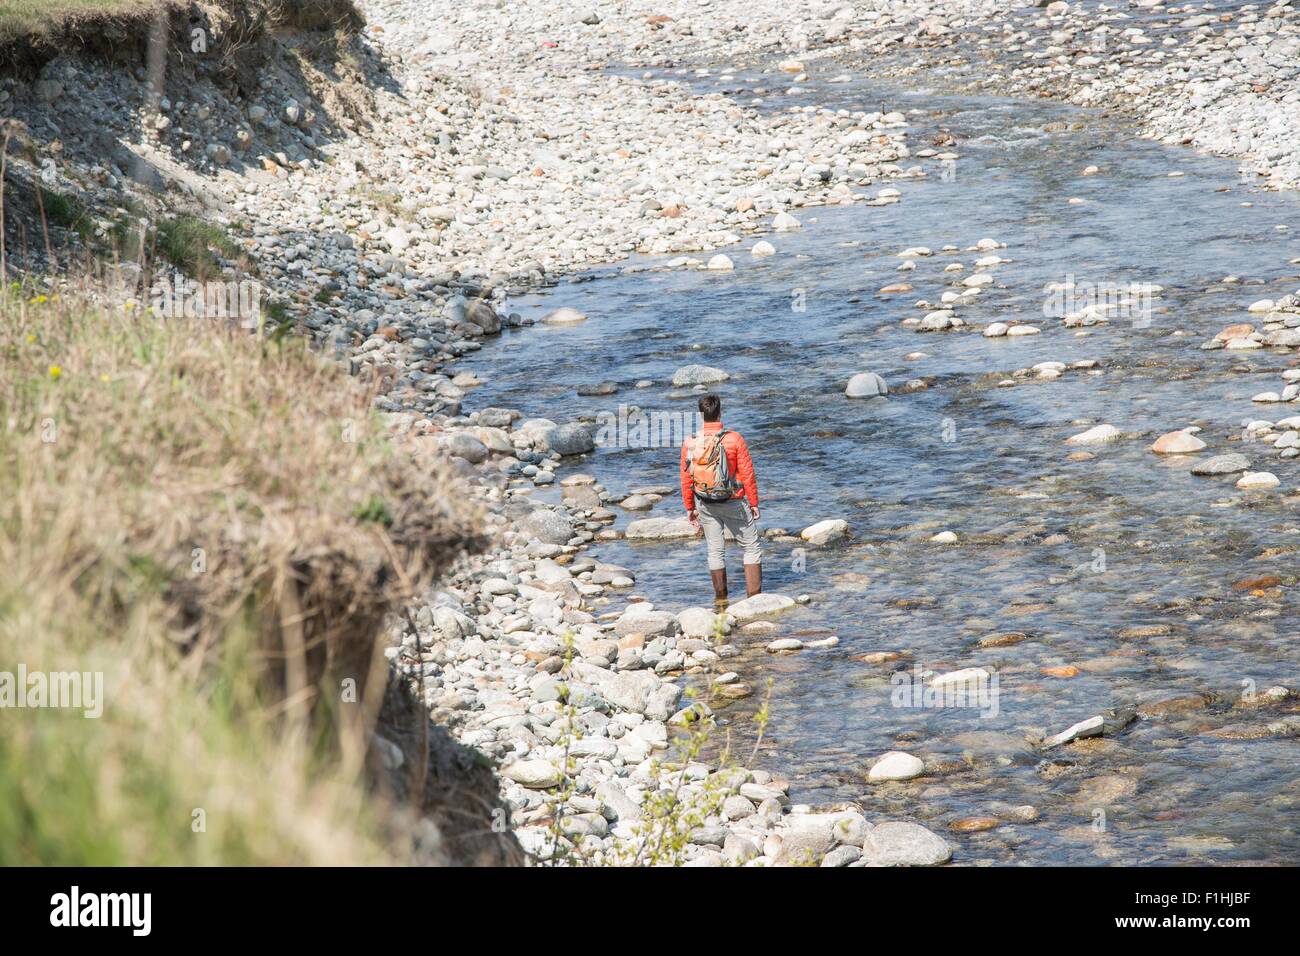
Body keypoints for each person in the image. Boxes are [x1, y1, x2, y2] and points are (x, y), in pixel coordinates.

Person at [679, 393, 761, 605]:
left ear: (700, 415)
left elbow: (686, 476)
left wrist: (689, 506)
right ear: (720, 412)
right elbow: (747, 473)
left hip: (705, 502)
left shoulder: (690, 442)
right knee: (751, 547)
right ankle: (754, 600)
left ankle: (721, 600)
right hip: (734, 499)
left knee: (715, 550)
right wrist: (754, 503)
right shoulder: (734, 439)